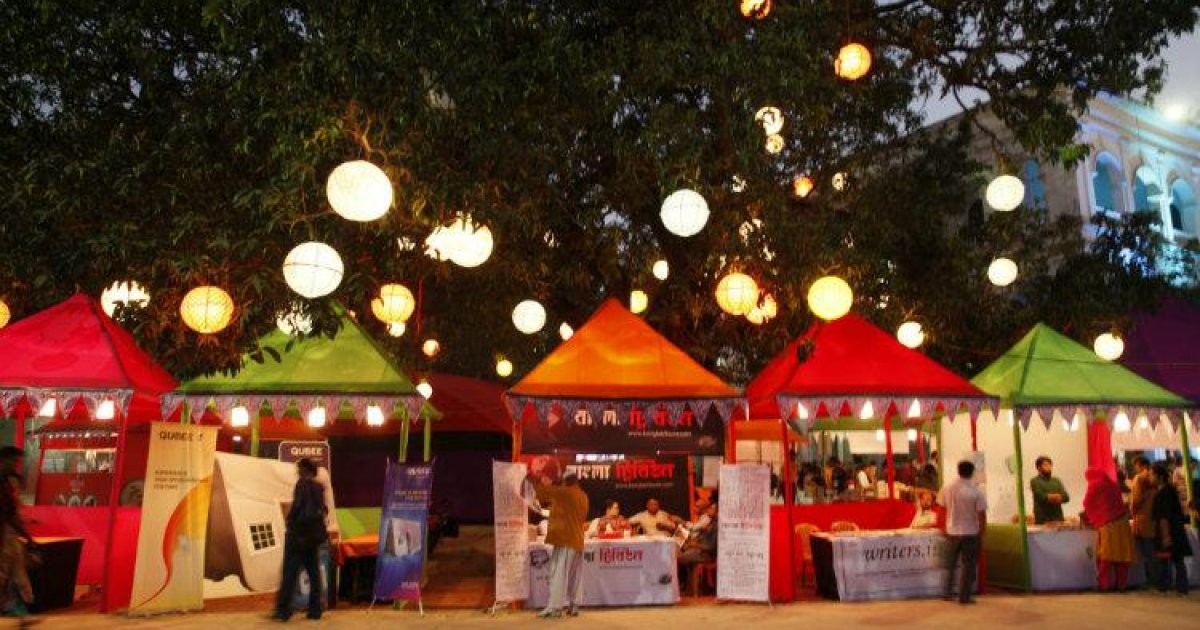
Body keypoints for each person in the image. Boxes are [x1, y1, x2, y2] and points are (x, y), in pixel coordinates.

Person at [272, 458, 327, 622]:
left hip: (297, 536)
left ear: (305, 469)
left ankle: (283, 611)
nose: (298, 471)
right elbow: (321, 511)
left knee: (290, 573)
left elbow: (298, 508)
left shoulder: (302, 484)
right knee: (314, 574)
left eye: (300, 468)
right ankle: (315, 610)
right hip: (312, 537)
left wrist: (289, 520)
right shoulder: (319, 487)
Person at [534, 472, 589, 618]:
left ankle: (555, 608)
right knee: (575, 575)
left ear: (565, 482)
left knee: (558, 574)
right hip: (577, 540)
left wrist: (542, 480)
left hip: (565, 540)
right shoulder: (583, 495)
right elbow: (567, 513)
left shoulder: (565, 493)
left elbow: (540, 492)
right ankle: (574, 605)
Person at [937, 460, 987, 605]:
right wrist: (982, 531)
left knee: (950, 564)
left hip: (951, 531)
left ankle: (947, 593)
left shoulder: (947, 488)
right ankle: (964, 597)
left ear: (958, 471)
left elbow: (940, 509)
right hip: (970, 532)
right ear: (972, 472)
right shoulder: (976, 491)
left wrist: (942, 527)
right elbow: (981, 514)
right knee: (968, 565)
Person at [1081, 467, 1134, 592]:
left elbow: (1087, 503)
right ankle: (1122, 585)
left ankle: (1104, 585)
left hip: (1108, 524)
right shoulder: (1113, 485)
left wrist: (1091, 515)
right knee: (1122, 555)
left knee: (1106, 556)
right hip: (1123, 523)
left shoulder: (1094, 485)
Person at [0, 447, 35, 626]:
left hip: (8, 534)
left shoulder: (7, 481)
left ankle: (22, 614)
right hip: (4, 533)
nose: (15, 465)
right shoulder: (3, 484)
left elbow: (12, 513)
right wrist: (27, 537)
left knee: (16, 573)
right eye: (13, 461)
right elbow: (8, 514)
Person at [1150, 463, 1190, 595]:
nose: (1150, 477)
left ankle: (1165, 586)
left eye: (1152, 474)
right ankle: (1181, 588)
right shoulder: (1170, 490)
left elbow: (1163, 516)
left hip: (1168, 530)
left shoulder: (1163, 493)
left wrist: (1166, 536)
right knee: (1177, 559)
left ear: (1159, 477)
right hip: (1176, 529)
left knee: (1165, 559)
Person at [1128, 456, 1158, 585]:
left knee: (1147, 552)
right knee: (1155, 551)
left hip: (1143, 519)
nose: (1135, 469)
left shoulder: (1139, 478)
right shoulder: (1156, 477)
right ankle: (1161, 579)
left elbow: (1136, 500)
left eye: (1136, 466)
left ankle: (1152, 580)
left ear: (1140, 465)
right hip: (1156, 518)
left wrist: (1132, 511)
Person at [677, 501, 718, 589]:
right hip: (701, 549)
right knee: (680, 553)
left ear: (718, 512)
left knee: (676, 558)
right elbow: (700, 536)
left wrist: (695, 545)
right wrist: (694, 542)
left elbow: (711, 547)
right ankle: (690, 587)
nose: (708, 510)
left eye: (711, 509)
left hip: (707, 554)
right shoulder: (711, 523)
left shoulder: (715, 525)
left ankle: (678, 587)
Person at [1030, 456, 1069, 524]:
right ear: (1039, 468)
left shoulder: (1056, 480)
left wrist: (1051, 497)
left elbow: (1066, 497)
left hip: (1058, 518)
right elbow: (1042, 497)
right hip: (1042, 519)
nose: (1049, 467)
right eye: (1045, 465)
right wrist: (1057, 496)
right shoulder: (1035, 481)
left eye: (1050, 465)